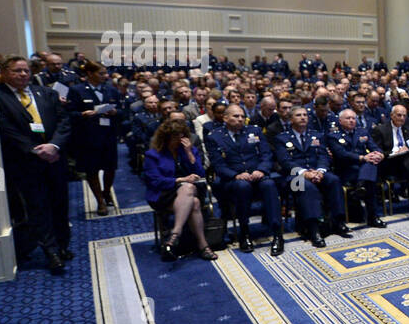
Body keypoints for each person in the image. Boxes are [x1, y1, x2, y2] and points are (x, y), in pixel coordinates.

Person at [0, 56, 72, 273]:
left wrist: (54, 146)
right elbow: (6, 130)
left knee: (60, 204)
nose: (23, 75)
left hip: (55, 159)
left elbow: (63, 122)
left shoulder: (46, 93)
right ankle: (51, 252)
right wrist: (35, 150)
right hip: (26, 162)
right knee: (39, 207)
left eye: (26, 71)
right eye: (17, 71)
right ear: (5, 72)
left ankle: (63, 244)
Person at [207, 104, 285, 255]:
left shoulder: (254, 131)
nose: (240, 119)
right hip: (233, 179)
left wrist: (261, 170)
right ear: (225, 118)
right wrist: (235, 175)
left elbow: (266, 154)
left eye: (242, 116)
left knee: (269, 184)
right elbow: (217, 164)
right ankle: (244, 232)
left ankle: (277, 234)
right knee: (243, 187)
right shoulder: (214, 136)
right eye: (236, 116)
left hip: (257, 174)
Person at [271, 107, 351, 246]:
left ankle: (338, 222)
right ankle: (314, 229)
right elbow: (285, 162)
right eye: (298, 115)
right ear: (291, 119)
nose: (303, 117)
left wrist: (320, 171)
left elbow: (323, 156)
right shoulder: (281, 138)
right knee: (306, 186)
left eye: (305, 115)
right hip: (293, 177)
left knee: (334, 180)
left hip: (316, 172)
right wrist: (304, 173)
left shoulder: (317, 135)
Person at [144, 119, 217, 262]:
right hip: (164, 194)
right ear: (166, 138)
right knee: (194, 203)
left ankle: (173, 236)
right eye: (175, 136)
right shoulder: (153, 155)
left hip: (188, 191)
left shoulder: (188, 150)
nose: (179, 140)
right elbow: (154, 181)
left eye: (182, 136)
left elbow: (201, 174)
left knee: (189, 189)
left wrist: (189, 153)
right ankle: (203, 246)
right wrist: (180, 180)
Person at [67, 59, 121, 215]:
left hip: (108, 135)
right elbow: (69, 113)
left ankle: (106, 191)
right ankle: (100, 201)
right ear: (89, 73)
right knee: (92, 169)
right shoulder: (77, 90)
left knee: (110, 167)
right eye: (101, 73)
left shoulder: (111, 90)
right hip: (88, 136)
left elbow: (123, 112)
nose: (106, 75)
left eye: (106, 72)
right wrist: (83, 114)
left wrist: (115, 112)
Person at [328, 109, 388, 229]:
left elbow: (374, 146)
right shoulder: (333, 135)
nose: (351, 120)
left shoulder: (362, 132)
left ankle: (361, 186)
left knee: (371, 165)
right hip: (347, 169)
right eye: (348, 118)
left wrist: (380, 154)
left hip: (364, 167)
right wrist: (362, 157)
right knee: (370, 174)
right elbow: (341, 154)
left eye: (353, 118)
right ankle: (373, 217)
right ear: (340, 121)